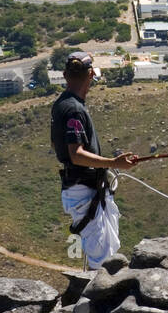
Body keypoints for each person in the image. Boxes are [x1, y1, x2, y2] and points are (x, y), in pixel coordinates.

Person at [50, 53, 138, 268]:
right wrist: (113, 163)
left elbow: (59, 146)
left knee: (105, 248)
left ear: (64, 75)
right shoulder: (74, 110)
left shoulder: (62, 105)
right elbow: (76, 154)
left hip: (85, 188)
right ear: (90, 74)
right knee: (102, 256)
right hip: (84, 189)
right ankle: (97, 299)